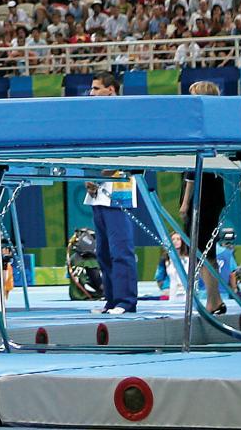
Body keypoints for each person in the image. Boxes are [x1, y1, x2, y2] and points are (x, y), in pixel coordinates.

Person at [86, 72, 138, 315]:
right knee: (103, 250)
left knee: (120, 248)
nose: (92, 93)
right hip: (97, 189)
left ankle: (126, 302)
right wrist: (88, 176)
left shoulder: (124, 115)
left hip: (119, 187)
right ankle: (111, 299)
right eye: (92, 89)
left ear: (111, 90)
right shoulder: (95, 119)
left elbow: (132, 149)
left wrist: (113, 167)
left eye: (96, 89)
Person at [177, 80, 228, 314]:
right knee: (204, 250)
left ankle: (213, 299)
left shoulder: (201, 127)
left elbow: (192, 171)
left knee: (202, 250)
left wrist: (186, 202)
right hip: (212, 191)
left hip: (203, 192)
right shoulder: (216, 125)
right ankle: (214, 299)